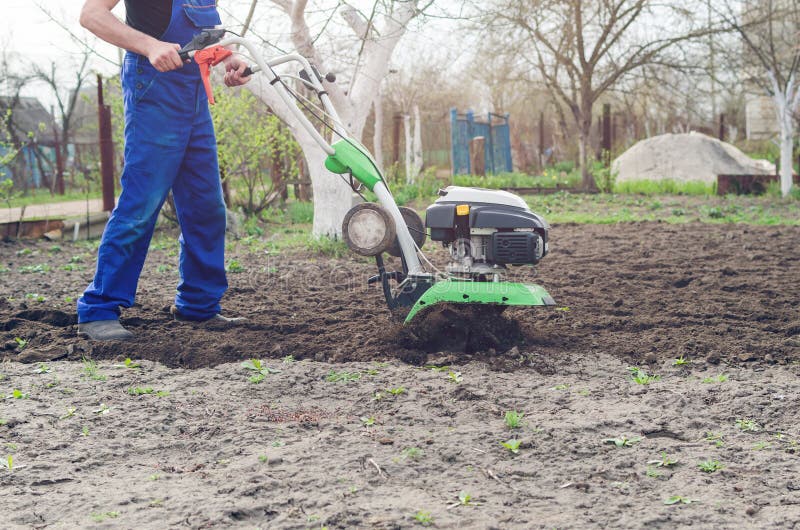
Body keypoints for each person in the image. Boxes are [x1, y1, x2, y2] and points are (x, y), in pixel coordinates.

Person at [77, 0, 250, 341]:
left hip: (194, 94)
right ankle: (98, 309)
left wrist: (227, 57)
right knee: (141, 206)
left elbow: (204, 35)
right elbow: (91, 15)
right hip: (153, 89)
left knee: (206, 207)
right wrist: (150, 45)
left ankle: (198, 306)